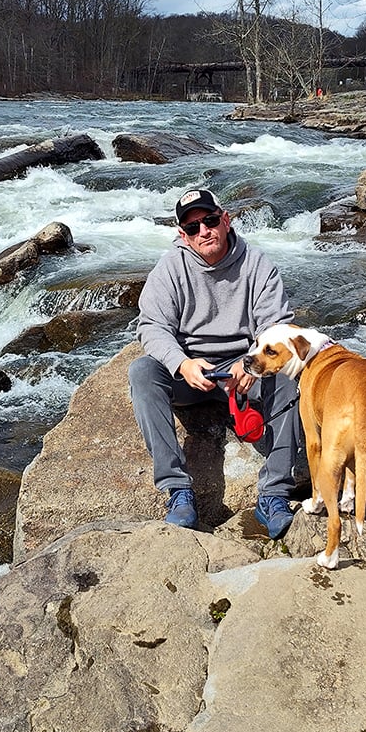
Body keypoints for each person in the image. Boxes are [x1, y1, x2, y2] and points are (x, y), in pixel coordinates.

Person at [128, 187, 300, 539]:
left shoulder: (257, 264)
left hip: (242, 370)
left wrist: (253, 363)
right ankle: (178, 491)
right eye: (192, 227)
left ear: (225, 220)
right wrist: (181, 363)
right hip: (192, 372)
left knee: (290, 375)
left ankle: (273, 495)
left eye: (209, 221)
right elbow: (151, 326)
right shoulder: (170, 268)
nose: (203, 231)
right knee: (142, 372)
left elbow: (276, 327)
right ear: (183, 235)